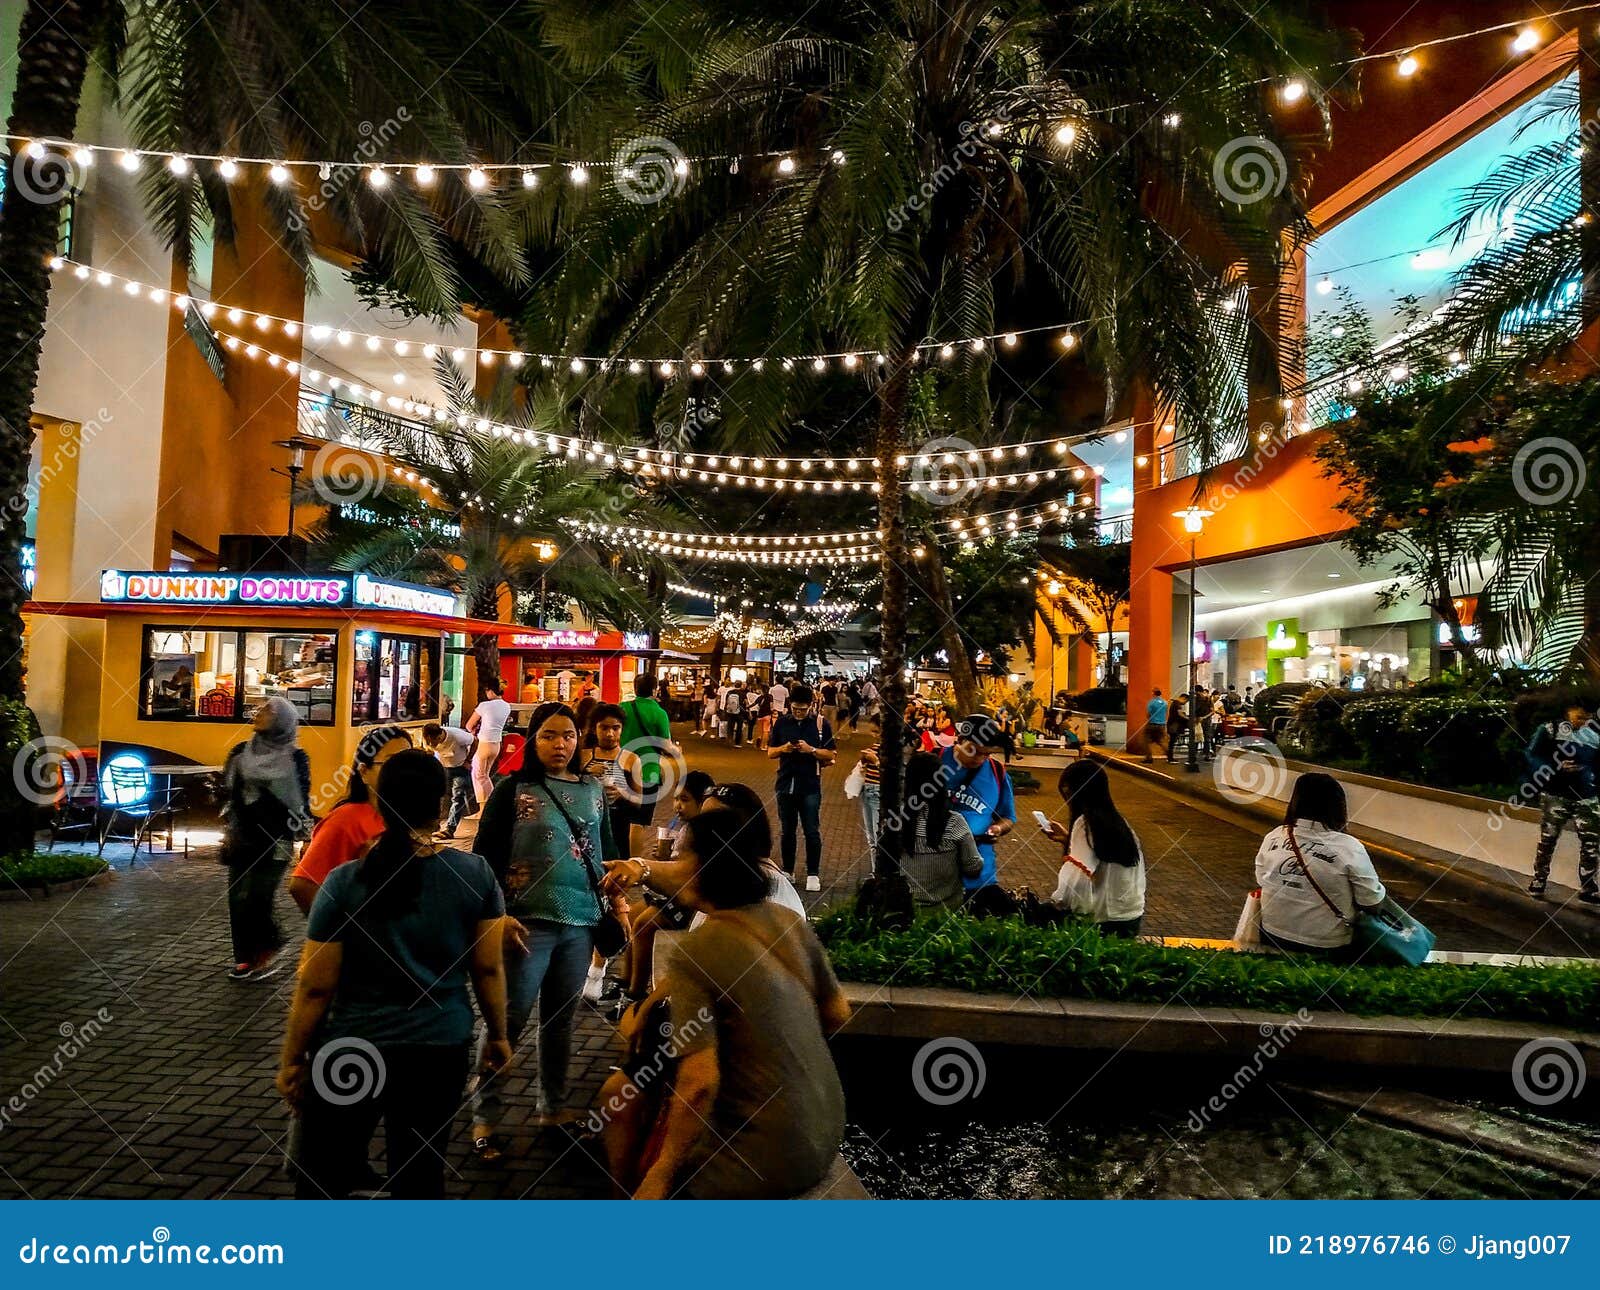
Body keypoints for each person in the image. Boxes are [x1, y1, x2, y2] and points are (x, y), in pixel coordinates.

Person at [277, 750, 510, 1199]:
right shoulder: (474, 875)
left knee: (325, 1175)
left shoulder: (346, 881)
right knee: (419, 1176)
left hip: (352, 1046)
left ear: (380, 804)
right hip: (438, 1048)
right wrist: (498, 1035)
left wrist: (292, 1058)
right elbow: (487, 967)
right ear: (441, 806)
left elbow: (315, 985)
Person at [597, 809, 849, 1198]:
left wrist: (661, 1175)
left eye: (680, 855)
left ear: (700, 866)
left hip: (764, 1156)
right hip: (826, 1131)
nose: (672, 865)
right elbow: (836, 1014)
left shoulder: (698, 950)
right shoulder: (787, 921)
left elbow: (698, 1085)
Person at [471, 702, 621, 1154]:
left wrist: (617, 900)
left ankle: (552, 1108)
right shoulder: (512, 789)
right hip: (525, 924)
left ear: (580, 740)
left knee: (561, 1023)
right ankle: (485, 1118)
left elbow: (605, 851)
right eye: (550, 736)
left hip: (581, 922)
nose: (561, 744)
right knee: (508, 1019)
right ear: (532, 740)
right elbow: (483, 857)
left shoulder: (594, 789)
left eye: (569, 736)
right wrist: (497, 913)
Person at [220, 696, 311, 982]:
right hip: (242, 836)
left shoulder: (296, 758)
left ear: (283, 720)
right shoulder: (240, 752)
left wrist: (306, 835)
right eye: (260, 709)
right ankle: (245, 958)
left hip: (276, 839)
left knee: (259, 896)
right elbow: (230, 791)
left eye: (268, 710)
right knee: (237, 897)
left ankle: (263, 952)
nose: (259, 713)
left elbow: (300, 801)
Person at [1254, 773, 1386, 958]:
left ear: (1295, 802)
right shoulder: (1349, 848)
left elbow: (1262, 879)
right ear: (1338, 806)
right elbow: (1372, 903)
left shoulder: (1274, 837)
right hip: (1326, 943)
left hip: (1272, 933)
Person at [289, 726, 412, 915]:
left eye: (409, 763)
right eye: (391, 763)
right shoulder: (347, 820)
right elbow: (303, 886)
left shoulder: (404, 816)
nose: (403, 772)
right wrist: (338, 931)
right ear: (363, 771)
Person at [1044, 761, 1146, 936]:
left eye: (1067, 792)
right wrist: (1068, 840)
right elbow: (1104, 859)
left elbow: (1076, 881)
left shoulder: (1085, 824)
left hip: (1104, 920)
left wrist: (1057, 904)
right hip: (1131, 916)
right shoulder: (1119, 823)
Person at [1524, 703, 1600, 901]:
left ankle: (1588, 886)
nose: (1581, 721)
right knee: (1548, 839)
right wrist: (1555, 766)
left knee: (1591, 842)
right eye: (1578, 716)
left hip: (1586, 795)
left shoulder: (1594, 734)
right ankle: (1539, 879)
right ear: (1568, 711)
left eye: (1586, 717)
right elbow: (1532, 755)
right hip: (1555, 794)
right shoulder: (1550, 730)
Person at [767, 683, 836, 892]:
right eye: (795, 708)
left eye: (802, 709)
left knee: (811, 831)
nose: (798, 712)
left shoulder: (820, 724)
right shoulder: (781, 723)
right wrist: (784, 748)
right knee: (787, 831)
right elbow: (770, 752)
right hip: (786, 783)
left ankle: (813, 873)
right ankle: (788, 870)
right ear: (790, 705)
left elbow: (831, 754)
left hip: (810, 785)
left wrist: (811, 749)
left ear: (810, 706)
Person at [892, 751, 981, 910]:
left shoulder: (895, 821)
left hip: (904, 914)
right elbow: (973, 867)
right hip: (947, 916)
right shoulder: (954, 822)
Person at [939, 714, 1015, 893]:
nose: (980, 759)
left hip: (980, 872)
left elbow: (1008, 817)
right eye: (974, 751)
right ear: (960, 739)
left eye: (987, 754)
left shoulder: (998, 772)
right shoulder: (933, 762)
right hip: (936, 871)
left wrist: (997, 829)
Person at [619, 671, 675, 827]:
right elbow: (666, 745)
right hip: (648, 771)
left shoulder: (622, 708)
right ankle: (636, 851)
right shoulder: (659, 713)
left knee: (620, 818)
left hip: (622, 769)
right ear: (654, 690)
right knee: (640, 821)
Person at [421, 721, 476, 839]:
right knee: (439, 796)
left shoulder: (456, 736)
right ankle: (434, 826)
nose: (431, 743)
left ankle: (450, 829)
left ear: (440, 735)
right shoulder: (428, 738)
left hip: (460, 767)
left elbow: (475, 741)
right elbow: (429, 751)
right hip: (443, 767)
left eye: (433, 741)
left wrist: (469, 760)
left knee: (457, 797)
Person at [465, 681, 512, 811]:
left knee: (478, 775)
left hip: (484, 743)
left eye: (487, 691)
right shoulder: (506, 706)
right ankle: (491, 806)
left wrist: (474, 731)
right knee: (484, 776)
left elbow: (469, 725)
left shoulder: (484, 705)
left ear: (491, 691)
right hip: (496, 744)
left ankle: (485, 809)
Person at [855, 714, 882, 855]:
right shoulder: (875, 746)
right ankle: (874, 871)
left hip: (878, 791)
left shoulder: (894, 749)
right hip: (867, 789)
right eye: (873, 731)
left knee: (878, 837)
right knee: (871, 837)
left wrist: (875, 760)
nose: (874, 735)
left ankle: (880, 872)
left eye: (877, 731)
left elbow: (894, 772)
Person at [1142, 687, 1168, 764]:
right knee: (1160, 741)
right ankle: (1169, 754)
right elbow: (1166, 713)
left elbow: (1148, 714)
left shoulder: (1151, 702)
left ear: (1153, 693)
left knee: (1145, 741)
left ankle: (1149, 757)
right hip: (1162, 725)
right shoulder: (1165, 702)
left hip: (1152, 724)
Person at [719, 679, 746, 746]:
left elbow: (726, 702)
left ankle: (730, 739)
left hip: (730, 712)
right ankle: (737, 743)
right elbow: (746, 702)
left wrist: (725, 710)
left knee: (730, 726)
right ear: (740, 685)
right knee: (739, 727)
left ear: (734, 685)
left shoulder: (730, 692)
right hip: (740, 712)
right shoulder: (742, 693)